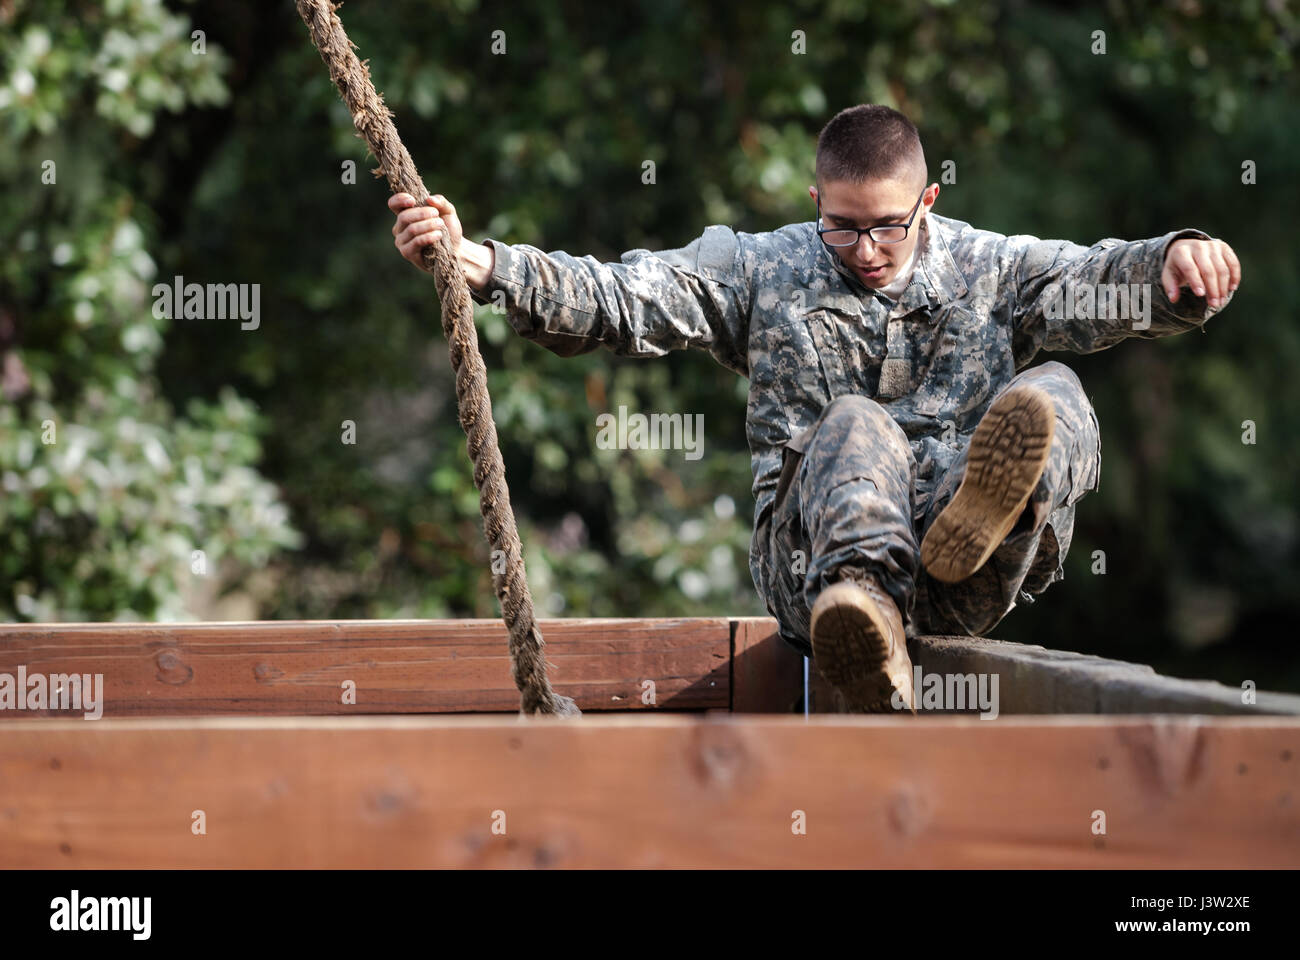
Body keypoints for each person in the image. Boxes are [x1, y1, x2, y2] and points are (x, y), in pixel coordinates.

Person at [387, 104, 1240, 713]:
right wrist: (488, 265)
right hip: (816, 576)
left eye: (886, 229)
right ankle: (864, 602)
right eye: (842, 227)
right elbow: (629, 297)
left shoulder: (992, 269)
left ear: (927, 204)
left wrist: (1176, 265)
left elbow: (1093, 276)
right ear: (814, 204)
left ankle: (979, 526)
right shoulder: (763, 269)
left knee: (1055, 393)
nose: (864, 251)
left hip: (969, 583)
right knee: (855, 421)